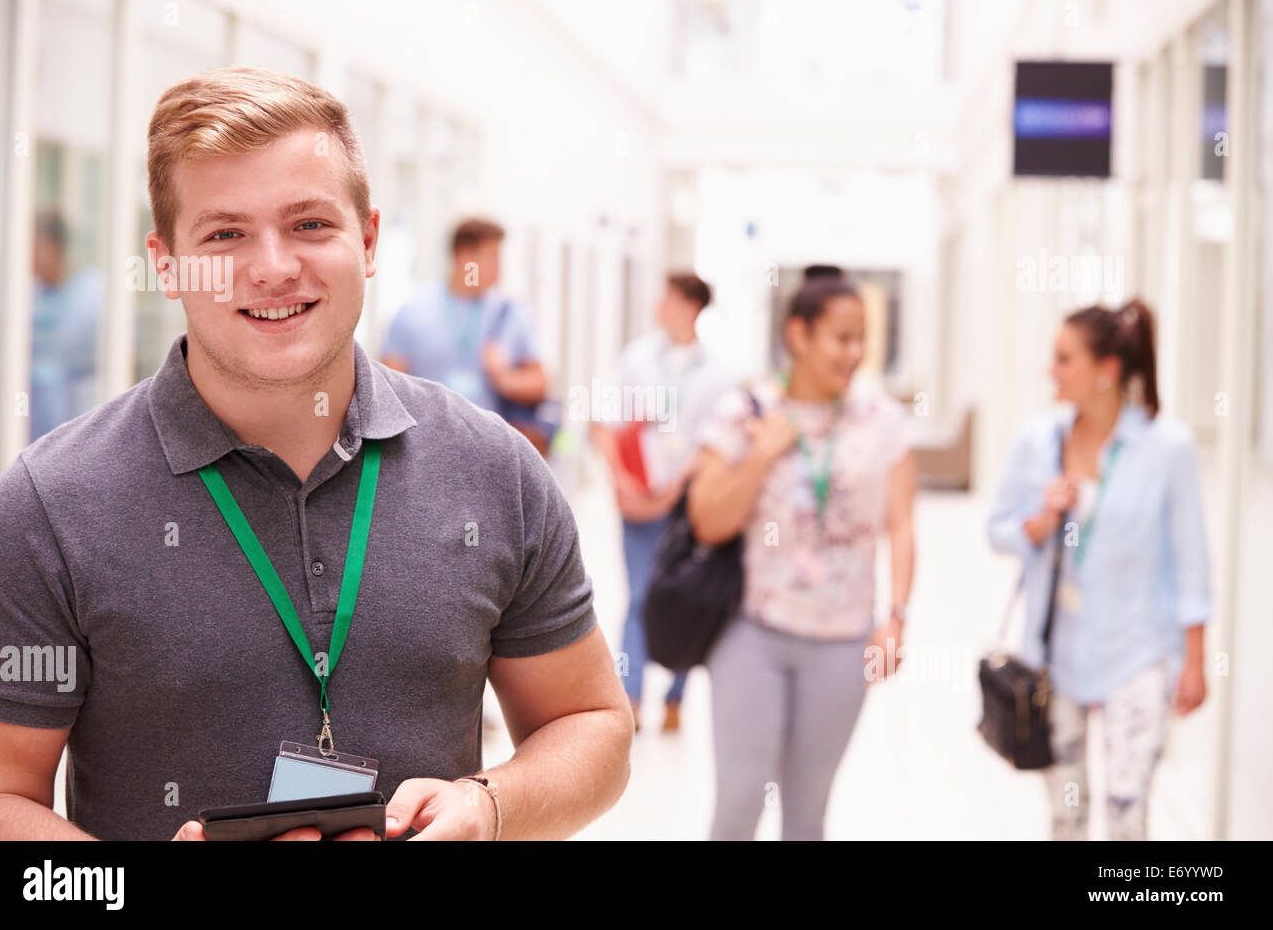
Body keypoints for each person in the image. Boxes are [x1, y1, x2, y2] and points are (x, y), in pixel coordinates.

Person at [0, 66, 631, 841]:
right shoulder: (50, 505)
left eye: (310, 225)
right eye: (225, 235)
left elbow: (591, 720)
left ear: (371, 239)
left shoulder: (496, 471)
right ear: (167, 264)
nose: (275, 267)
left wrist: (489, 806)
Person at [687, 270, 916, 840]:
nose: (855, 352)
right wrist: (761, 456)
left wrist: (897, 617)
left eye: (862, 337)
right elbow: (707, 521)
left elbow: (902, 523)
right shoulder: (746, 412)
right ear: (799, 334)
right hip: (753, 631)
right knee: (740, 801)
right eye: (842, 337)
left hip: (843, 640)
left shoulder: (882, 421)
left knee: (808, 810)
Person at [987, 298, 1209, 841]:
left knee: (1126, 814)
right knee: (1067, 818)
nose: (1051, 371)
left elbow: (1192, 562)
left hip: (1138, 654)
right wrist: (1042, 519)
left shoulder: (1167, 448)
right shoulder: (1038, 442)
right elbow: (997, 530)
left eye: (1065, 359)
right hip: (1056, 657)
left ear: (1107, 371)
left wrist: (1195, 660)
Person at [589, 272, 730, 732]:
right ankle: (630, 697)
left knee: (687, 595)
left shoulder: (716, 373)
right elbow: (604, 422)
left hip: (688, 501)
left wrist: (675, 490)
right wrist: (622, 483)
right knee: (641, 595)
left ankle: (675, 699)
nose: (659, 305)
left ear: (691, 306)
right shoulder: (637, 359)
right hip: (637, 499)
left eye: (669, 298)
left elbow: (717, 444)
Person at [380, 218, 554, 455]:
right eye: (492, 257)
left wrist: (504, 377)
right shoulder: (414, 310)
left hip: (491, 452)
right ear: (464, 255)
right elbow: (389, 389)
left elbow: (540, 384)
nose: (498, 268)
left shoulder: (512, 315)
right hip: (427, 451)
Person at [30, 211, 102, 441]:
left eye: (32, 245)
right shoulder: (28, 294)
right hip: (31, 434)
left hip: (82, 431)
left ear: (51, 248)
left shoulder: (94, 295)